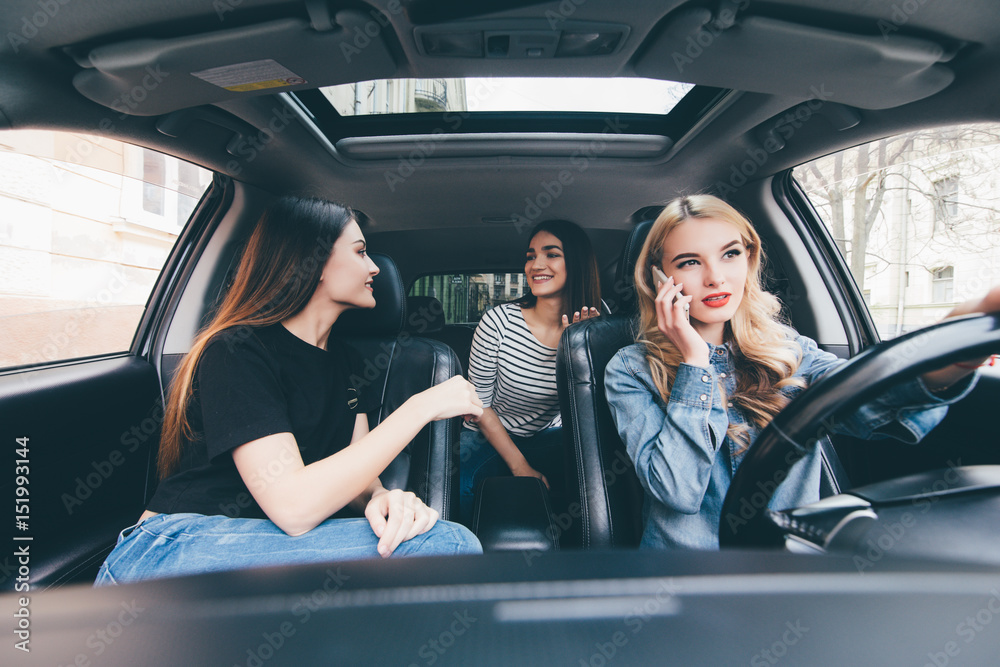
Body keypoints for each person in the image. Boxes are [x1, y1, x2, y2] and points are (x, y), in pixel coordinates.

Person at [95, 196, 484, 585]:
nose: (373, 267)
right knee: (447, 546)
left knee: (429, 541)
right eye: (361, 252)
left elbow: (360, 477)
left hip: (264, 544)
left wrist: (382, 498)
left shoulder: (346, 361)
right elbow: (293, 507)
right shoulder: (238, 351)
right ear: (312, 261)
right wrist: (420, 407)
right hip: (173, 546)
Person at [605, 194, 999, 550]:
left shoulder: (789, 350)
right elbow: (678, 491)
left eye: (730, 254)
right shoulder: (630, 370)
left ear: (750, 258)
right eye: (690, 262)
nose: (715, 277)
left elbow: (867, 400)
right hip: (687, 579)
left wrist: (946, 359)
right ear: (660, 277)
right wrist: (694, 360)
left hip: (790, 566)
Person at [460, 220, 603, 525]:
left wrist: (571, 355)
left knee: (597, 483)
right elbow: (479, 405)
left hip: (548, 434)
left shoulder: (593, 324)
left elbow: (591, 413)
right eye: (530, 256)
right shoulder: (498, 322)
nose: (536, 264)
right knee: (458, 488)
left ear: (576, 263)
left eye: (551, 254)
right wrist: (520, 466)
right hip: (487, 433)